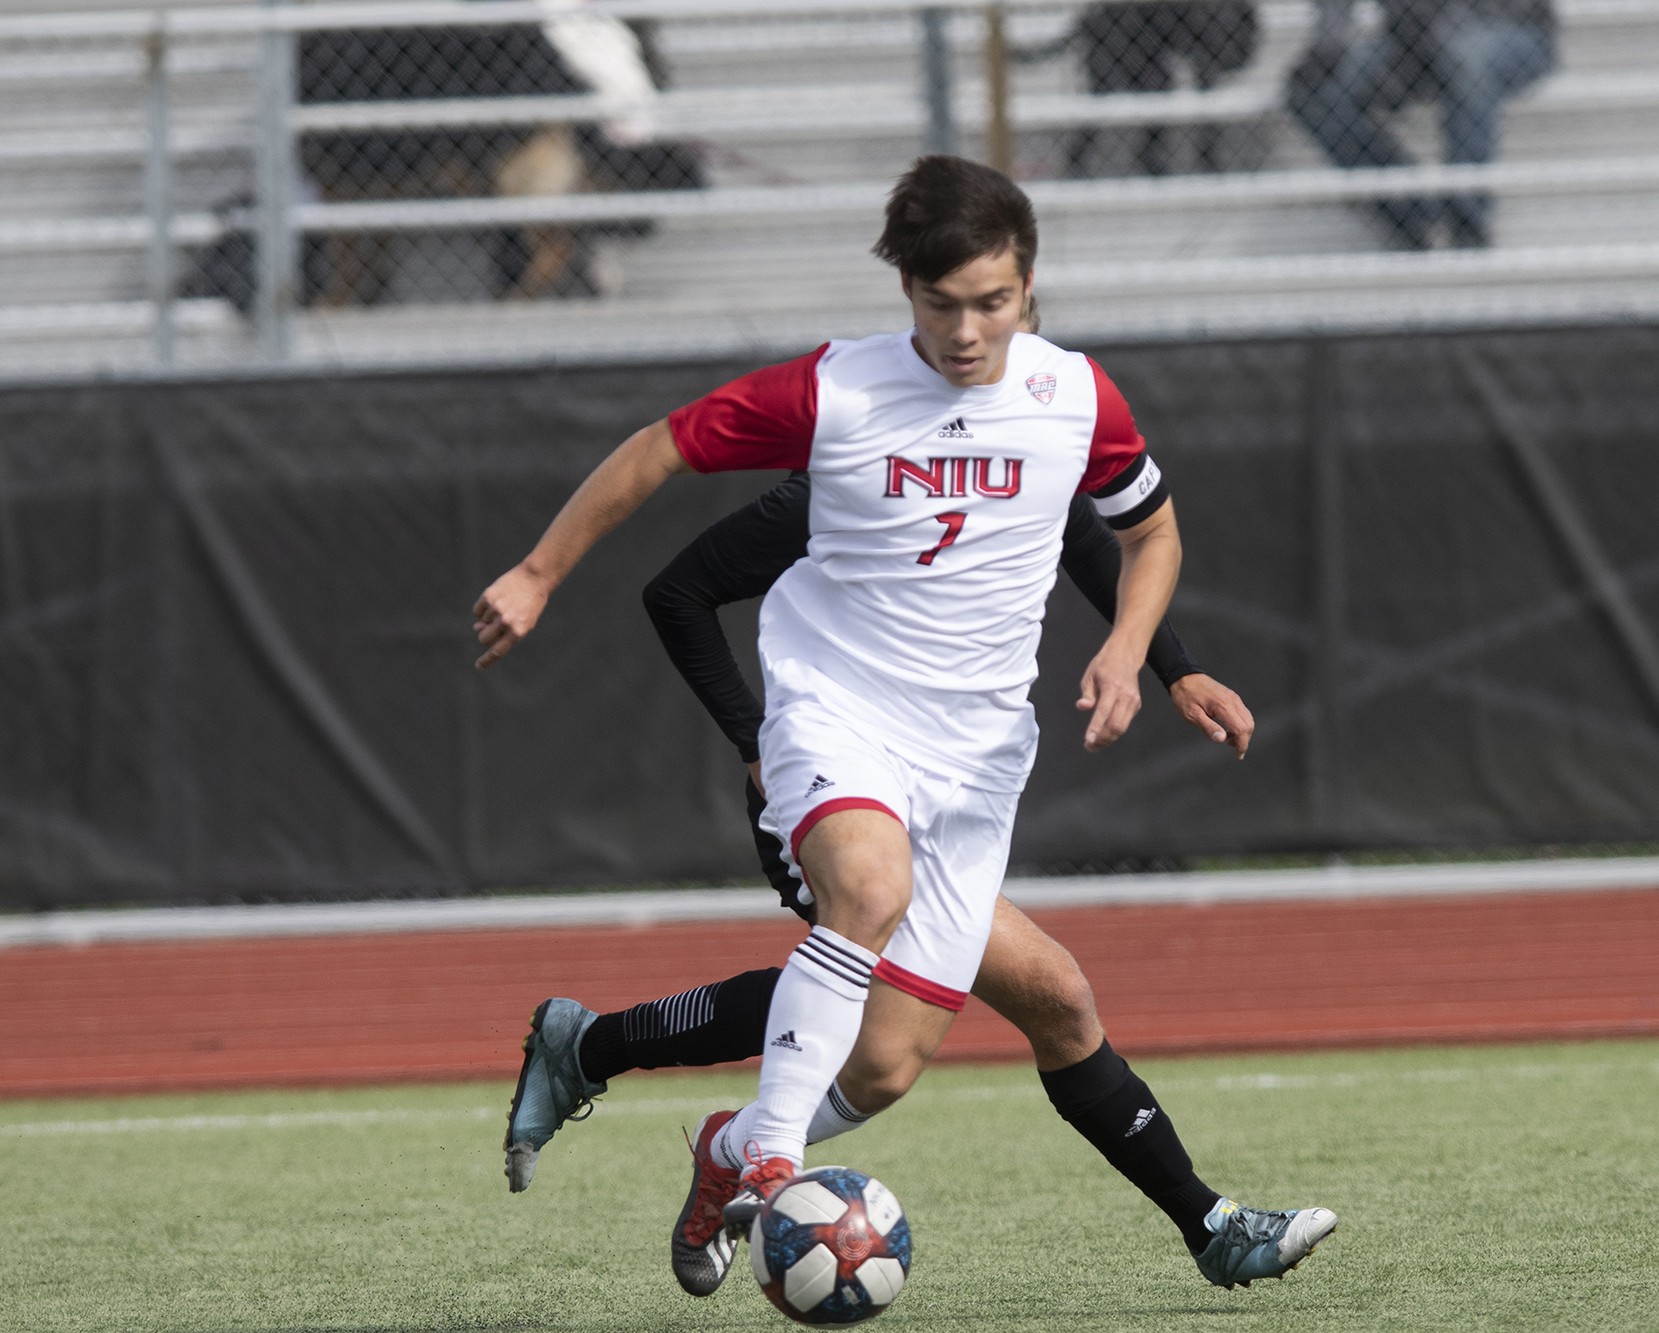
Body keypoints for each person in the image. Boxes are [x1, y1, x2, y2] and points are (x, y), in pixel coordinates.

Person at [473, 154, 1336, 1296]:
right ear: (904, 293)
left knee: (919, 1051)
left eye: (992, 302)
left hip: (971, 765)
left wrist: (1142, 654)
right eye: (942, 305)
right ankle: (772, 1150)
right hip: (833, 721)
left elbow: (1137, 531)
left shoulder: (1072, 397)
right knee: (867, 894)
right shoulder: (838, 397)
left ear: (1029, 286)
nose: (968, 331)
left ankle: (699, 1124)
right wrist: (537, 573)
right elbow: (660, 448)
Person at [504, 469, 1307, 1292]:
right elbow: (677, 592)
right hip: (834, 777)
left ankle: (1210, 1229)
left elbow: (1091, 538)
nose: (966, 340)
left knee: (1045, 1002)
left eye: (989, 329)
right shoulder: (853, 479)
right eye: (945, 329)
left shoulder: (1020, 448)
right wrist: (757, 743)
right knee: (868, 998)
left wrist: (1173, 665)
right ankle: (723, 1133)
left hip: (943, 793)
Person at [1286, 0, 1556, 248]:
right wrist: (1327, 46)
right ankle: (1416, 212)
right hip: (1414, 44)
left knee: (1466, 56)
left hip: (1508, 29)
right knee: (1313, 92)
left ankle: (1465, 222)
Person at [1068, 1, 1259, 178]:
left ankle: (1159, 158)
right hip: (1122, 26)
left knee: (1157, 83)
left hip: (1141, 29)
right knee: (1144, 86)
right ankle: (1080, 160)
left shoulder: (1219, 14)